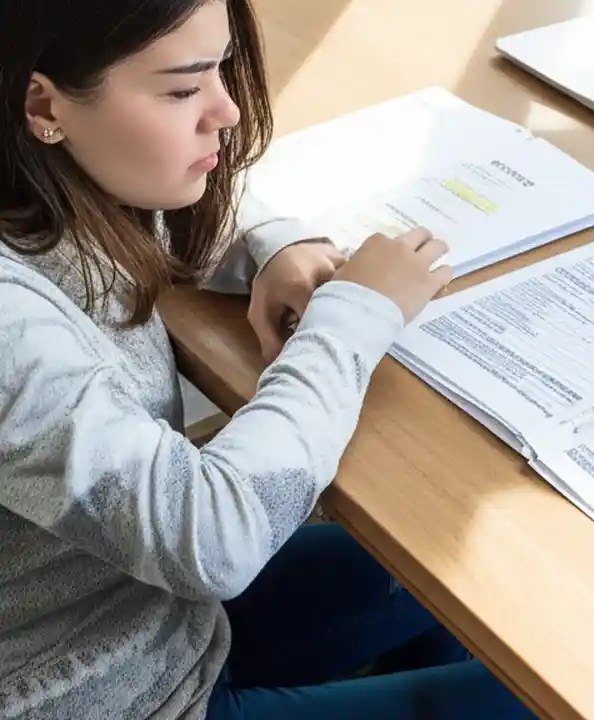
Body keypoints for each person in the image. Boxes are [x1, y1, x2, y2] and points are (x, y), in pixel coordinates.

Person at [0, 1, 534, 718]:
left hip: (151, 619)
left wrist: (278, 245)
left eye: (221, 69)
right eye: (183, 89)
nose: (224, 111)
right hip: (106, 696)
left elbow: (170, 206)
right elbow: (213, 537)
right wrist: (352, 319)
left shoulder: (47, 175)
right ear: (42, 104)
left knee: (480, 579)